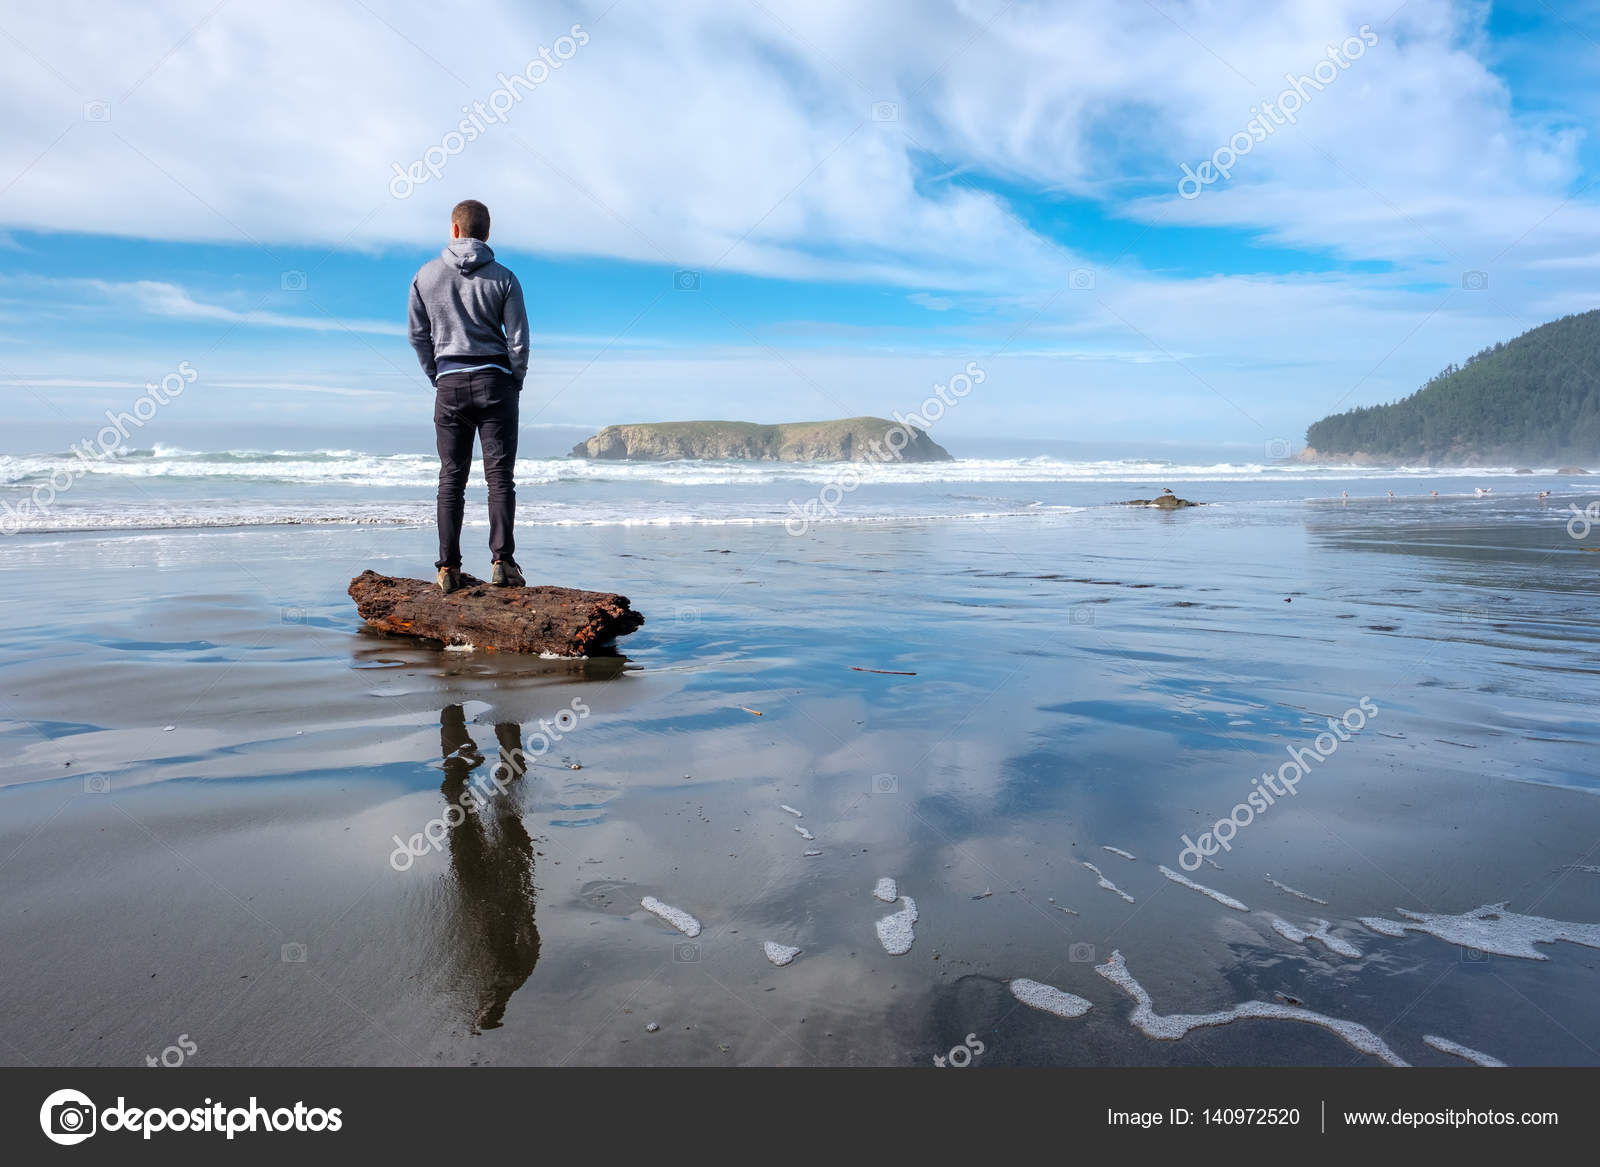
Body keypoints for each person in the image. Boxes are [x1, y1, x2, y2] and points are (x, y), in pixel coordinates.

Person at [408, 199, 530, 592]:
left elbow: (417, 335)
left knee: (451, 478)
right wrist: (515, 380)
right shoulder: (504, 278)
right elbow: (519, 340)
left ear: (454, 230)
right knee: (499, 478)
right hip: (496, 382)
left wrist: (437, 375)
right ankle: (502, 562)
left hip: (451, 385)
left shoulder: (425, 276)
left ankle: (448, 569)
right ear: (487, 233)